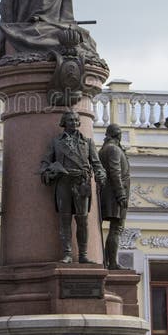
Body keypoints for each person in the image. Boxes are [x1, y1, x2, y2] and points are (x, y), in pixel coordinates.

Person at [40, 110, 106, 264]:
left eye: (76, 120)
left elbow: (97, 164)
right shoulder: (56, 142)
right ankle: (68, 253)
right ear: (64, 122)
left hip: (81, 183)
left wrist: (101, 174)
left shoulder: (87, 142)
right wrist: (47, 172)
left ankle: (83, 254)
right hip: (63, 182)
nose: (74, 123)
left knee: (82, 220)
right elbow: (45, 162)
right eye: (70, 120)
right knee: (65, 220)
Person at [98, 124, 130, 270]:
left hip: (108, 193)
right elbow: (115, 172)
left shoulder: (105, 149)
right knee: (116, 228)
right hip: (114, 194)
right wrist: (121, 193)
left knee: (114, 229)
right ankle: (112, 263)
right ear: (117, 135)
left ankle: (106, 261)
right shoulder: (113, 149)